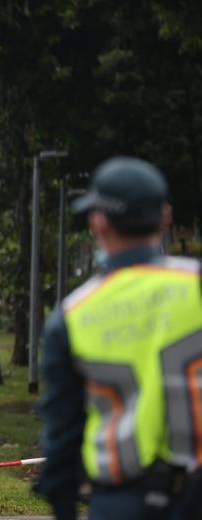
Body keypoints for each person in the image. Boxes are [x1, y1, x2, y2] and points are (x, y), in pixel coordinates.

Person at [35, 157, 202, 519]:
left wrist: (64, 508)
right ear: (165, 216)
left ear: (98, 222)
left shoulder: (73, 315)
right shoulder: (196, 286)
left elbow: (62, 434)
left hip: (119, 502)